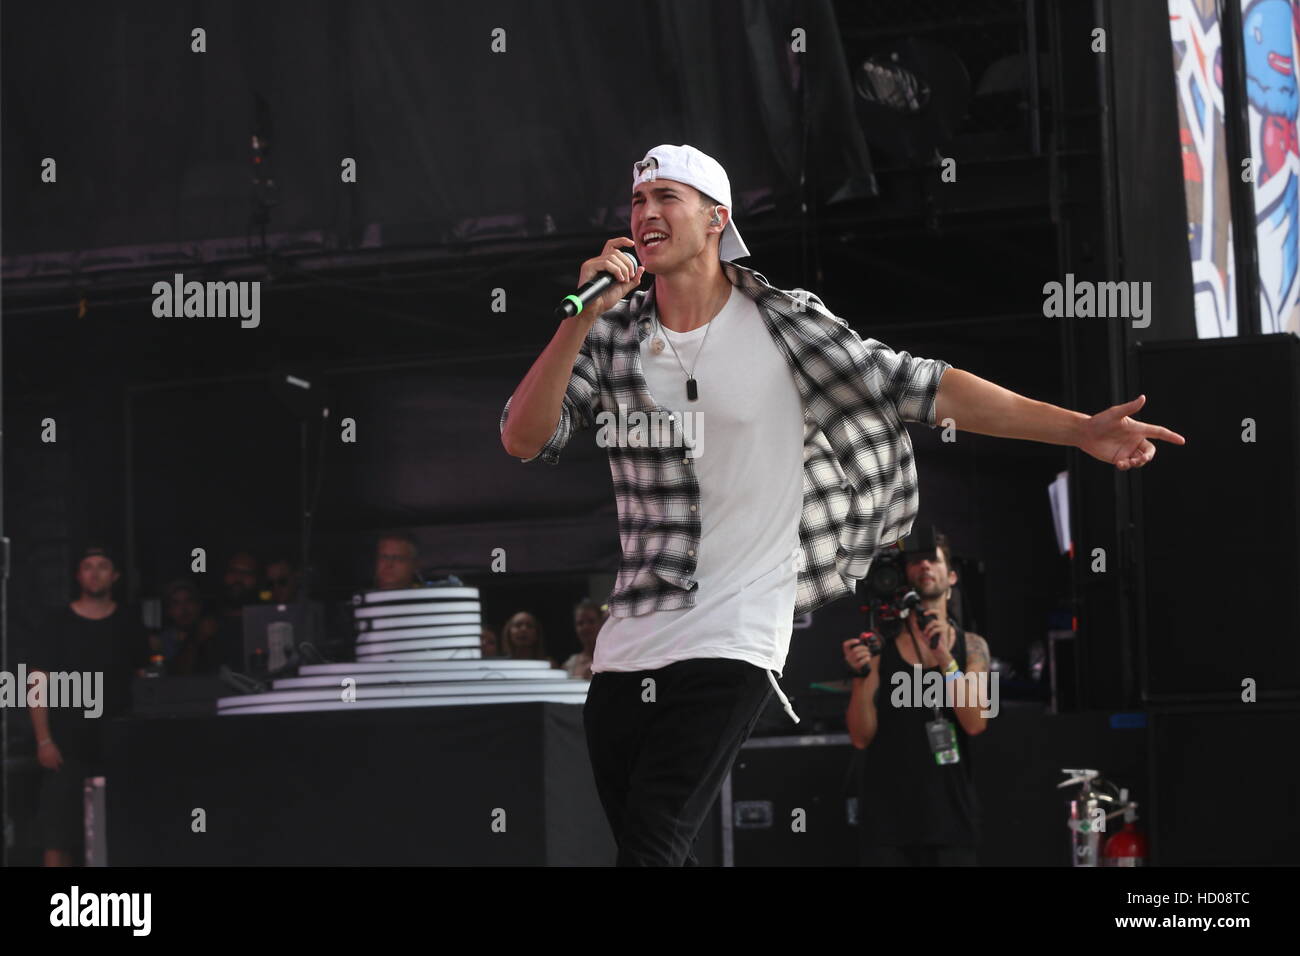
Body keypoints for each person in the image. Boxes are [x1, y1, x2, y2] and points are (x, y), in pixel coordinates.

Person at [499, 143, 1185, 866]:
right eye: (637, 202)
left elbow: (927, 387)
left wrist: (1078, 429)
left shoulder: (784, 328)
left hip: (735, 629)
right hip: (630, 639)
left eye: (667, 198)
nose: (645, 213)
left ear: (715, 220)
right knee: (650, 841)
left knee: (654, 838)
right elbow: (522, 437)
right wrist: (579, 318)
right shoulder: (611, 334)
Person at [843, 531, 990, 866]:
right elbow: (860, 737)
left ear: (951, 575)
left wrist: (945, 659)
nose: (924, 564)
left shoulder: (973, 647)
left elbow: (975, 722)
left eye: (933, 558)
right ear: (904, 575)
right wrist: (859, 679)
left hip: (951, 820)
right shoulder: (879, 648)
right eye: (914, 560)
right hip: (888, 825)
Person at [28, 544, 150, 866]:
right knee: (58, 836)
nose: (95, 572)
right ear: (78, 574)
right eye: (88, 566)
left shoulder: (128, 622)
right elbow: (37, 684)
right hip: (67, 746)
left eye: (103, 566)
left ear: (116, 575)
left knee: (118, 834)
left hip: (118, 743)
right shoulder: (56, 622)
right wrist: (44, 740)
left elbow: (144, 679)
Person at [563, 598, 602, 679]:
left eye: (591, 621)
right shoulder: (569, 665)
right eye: (580, 623)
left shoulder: (615, 659)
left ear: (601, 623)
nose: (586, 627)